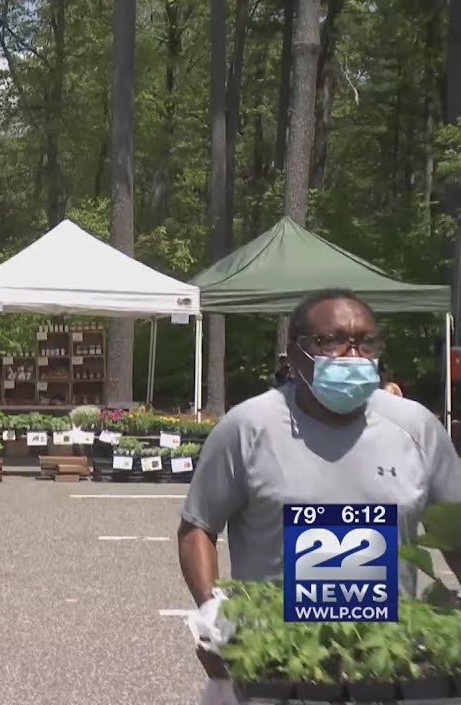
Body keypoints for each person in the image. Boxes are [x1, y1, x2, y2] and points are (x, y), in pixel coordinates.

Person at [177, 289, 461, 684]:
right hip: (274, 658)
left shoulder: (417, 428)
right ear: (294, 356)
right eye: (332, 341)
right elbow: (198, 526)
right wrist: (211, 613)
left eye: (365, 341)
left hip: (389, 657)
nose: (352, 354)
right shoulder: (247, 427)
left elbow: (454, 535)